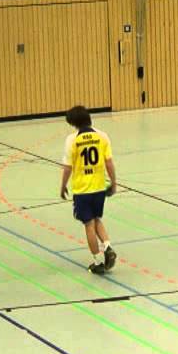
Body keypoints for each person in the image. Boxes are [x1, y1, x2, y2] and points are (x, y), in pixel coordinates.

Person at [59, 106, 118, 274]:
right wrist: (114, 183)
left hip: (82, 189)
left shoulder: (72, 140)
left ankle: (97, 261)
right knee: (96, 219)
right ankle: (108, 247)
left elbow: (68, 167)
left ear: (73, 123)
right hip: (99, 187)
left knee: (89, 224)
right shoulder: (102, 136)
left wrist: (63, 185)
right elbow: (109, 162)